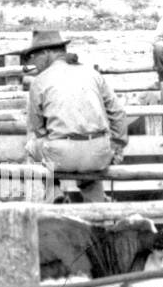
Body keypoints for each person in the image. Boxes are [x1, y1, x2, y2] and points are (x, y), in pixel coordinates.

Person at [20, 30, 127, 203]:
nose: (33, 62)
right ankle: (97, 205)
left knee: (31, 149)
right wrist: (117, 146)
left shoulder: (39, 81)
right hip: (99, 154)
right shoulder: (92, 74)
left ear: (47, 53)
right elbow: (118, 113)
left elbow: (37, 128)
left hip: (62, 156)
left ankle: (54, 195)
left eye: (34, 56)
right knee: (88, 167)